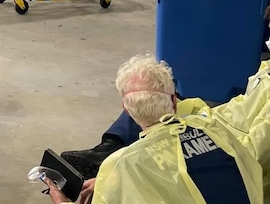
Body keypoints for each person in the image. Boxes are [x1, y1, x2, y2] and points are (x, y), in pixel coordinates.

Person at [44, 55, 265, 204]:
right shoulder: (216, 131)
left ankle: (105, 150)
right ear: (174, 101)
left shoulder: (125, 164)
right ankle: (106, 148)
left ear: (126, 110)